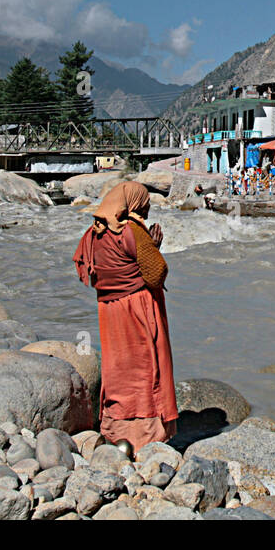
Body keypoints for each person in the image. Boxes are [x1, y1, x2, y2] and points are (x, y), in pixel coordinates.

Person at [72, 182, 178, 454]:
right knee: (145, 368)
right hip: (138, 310)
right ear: (132, 204)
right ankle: (147, 436)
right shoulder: (131, 230)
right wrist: (154, 247)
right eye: (144, 203)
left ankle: (115, 431)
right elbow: (155, 273)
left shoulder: (91, 235)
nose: (147, 208)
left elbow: (94, 273)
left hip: (109, 310)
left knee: (118, 369)